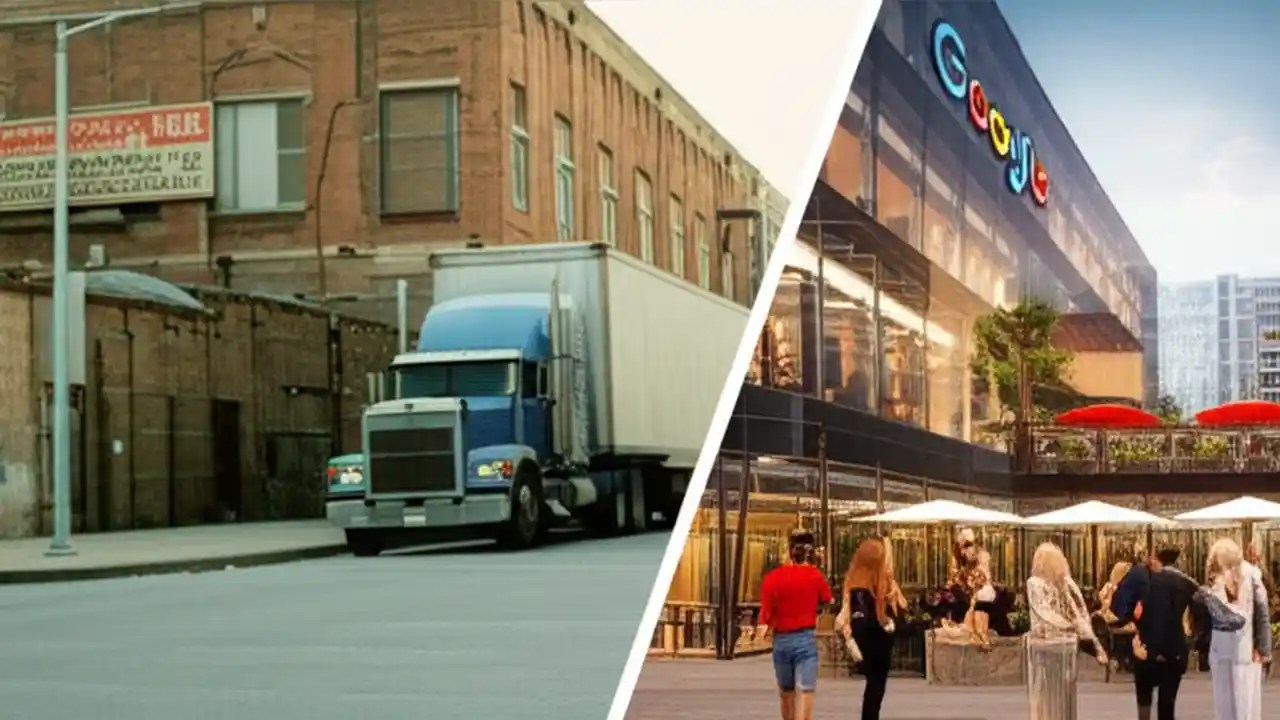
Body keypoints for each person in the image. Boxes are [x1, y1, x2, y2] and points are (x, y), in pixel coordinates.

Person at [1025, 542, 1107, 720]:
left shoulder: (1049, 583)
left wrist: (1078, 631)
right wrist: (1089, 639)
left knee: (1050, 691)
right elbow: (1078, 614)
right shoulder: (1053, 583)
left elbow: (1051, 611)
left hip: (1050, 644)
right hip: (1060, 643)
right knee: (1059, 691)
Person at [758, 529, 833, 720]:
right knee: (806, 689)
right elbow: (828, 599)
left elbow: (765, 613)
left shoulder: (772, 578)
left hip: (781, 640)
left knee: (786, 692)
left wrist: (763, 629)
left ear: (789, 552)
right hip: (805, 638)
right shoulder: (815, 576)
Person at [1204, 537, 1272, 720]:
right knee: (1223, 704)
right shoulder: (1216, 578)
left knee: (1246, 704)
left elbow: (1262, 612)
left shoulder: (1251, 574)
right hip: (1220, 649)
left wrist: (1263, 648)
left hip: (1246, 649)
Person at [1132, 547, 1199, 720]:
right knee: (1167, 701)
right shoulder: (1188, 583)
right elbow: (1201, 610)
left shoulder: (1145, 582)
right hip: (1174, 647)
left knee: (1144, 696)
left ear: (1156, 560)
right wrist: (1194, 639)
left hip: (1146, 646)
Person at [838, 538, 899, 720]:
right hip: (875, 637)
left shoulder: (854, 578)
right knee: (876, 684)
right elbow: (870, 616)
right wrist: (887, 627)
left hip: (865, 636)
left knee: (873, 684)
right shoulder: (867, 581)